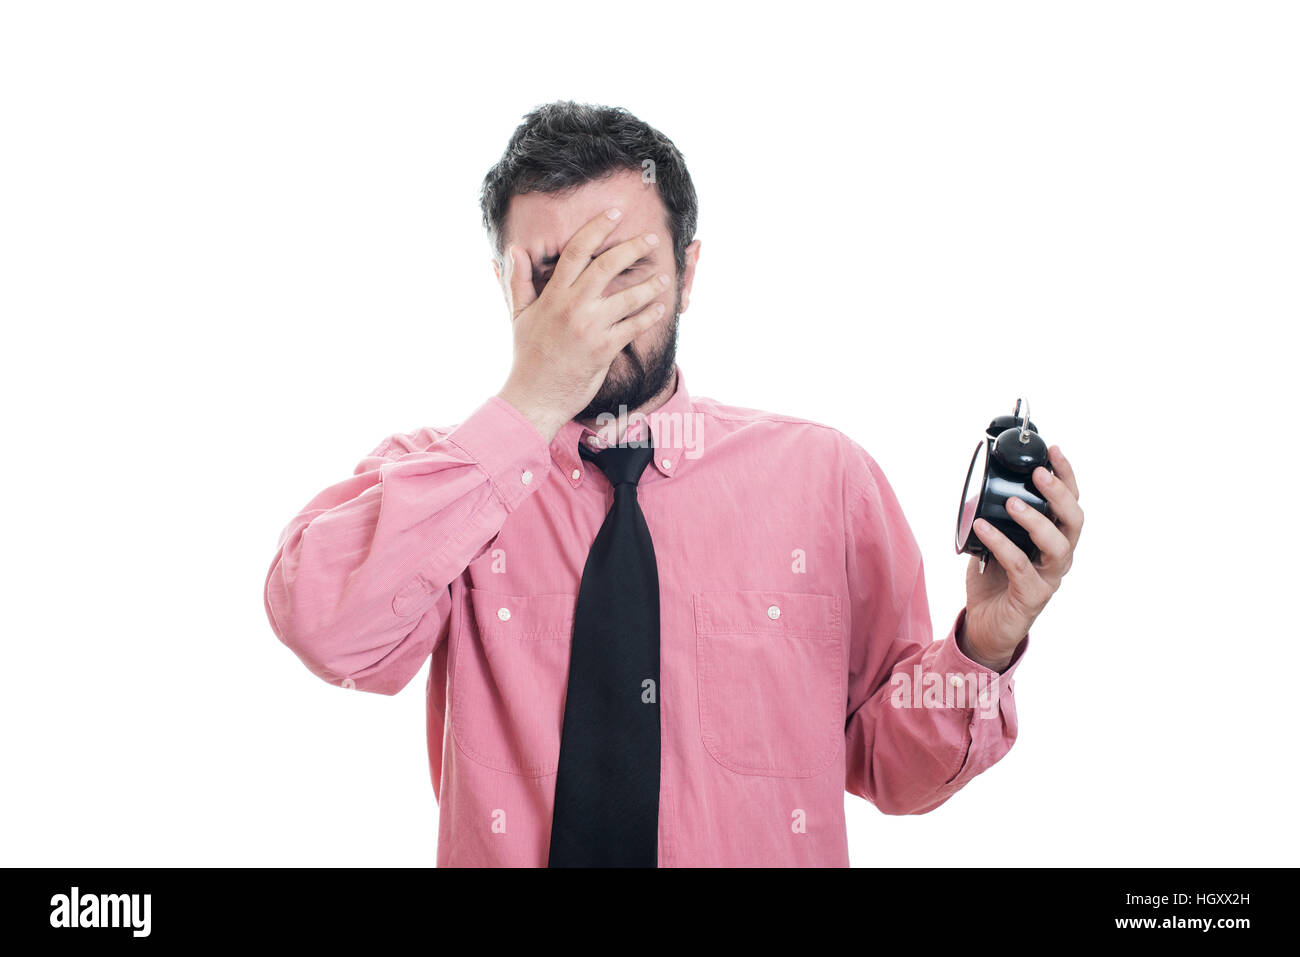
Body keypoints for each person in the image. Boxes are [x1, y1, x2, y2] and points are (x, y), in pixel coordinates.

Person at [262, 100, 1084, 867]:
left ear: (689, 273)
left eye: (625, 267)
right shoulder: (441, 482)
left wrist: (986, 641)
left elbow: (889, 765)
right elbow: (327, 628)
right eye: (555, 276)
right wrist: (531, 402)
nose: (590, 311)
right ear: (506, 285)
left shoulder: (823, 478)